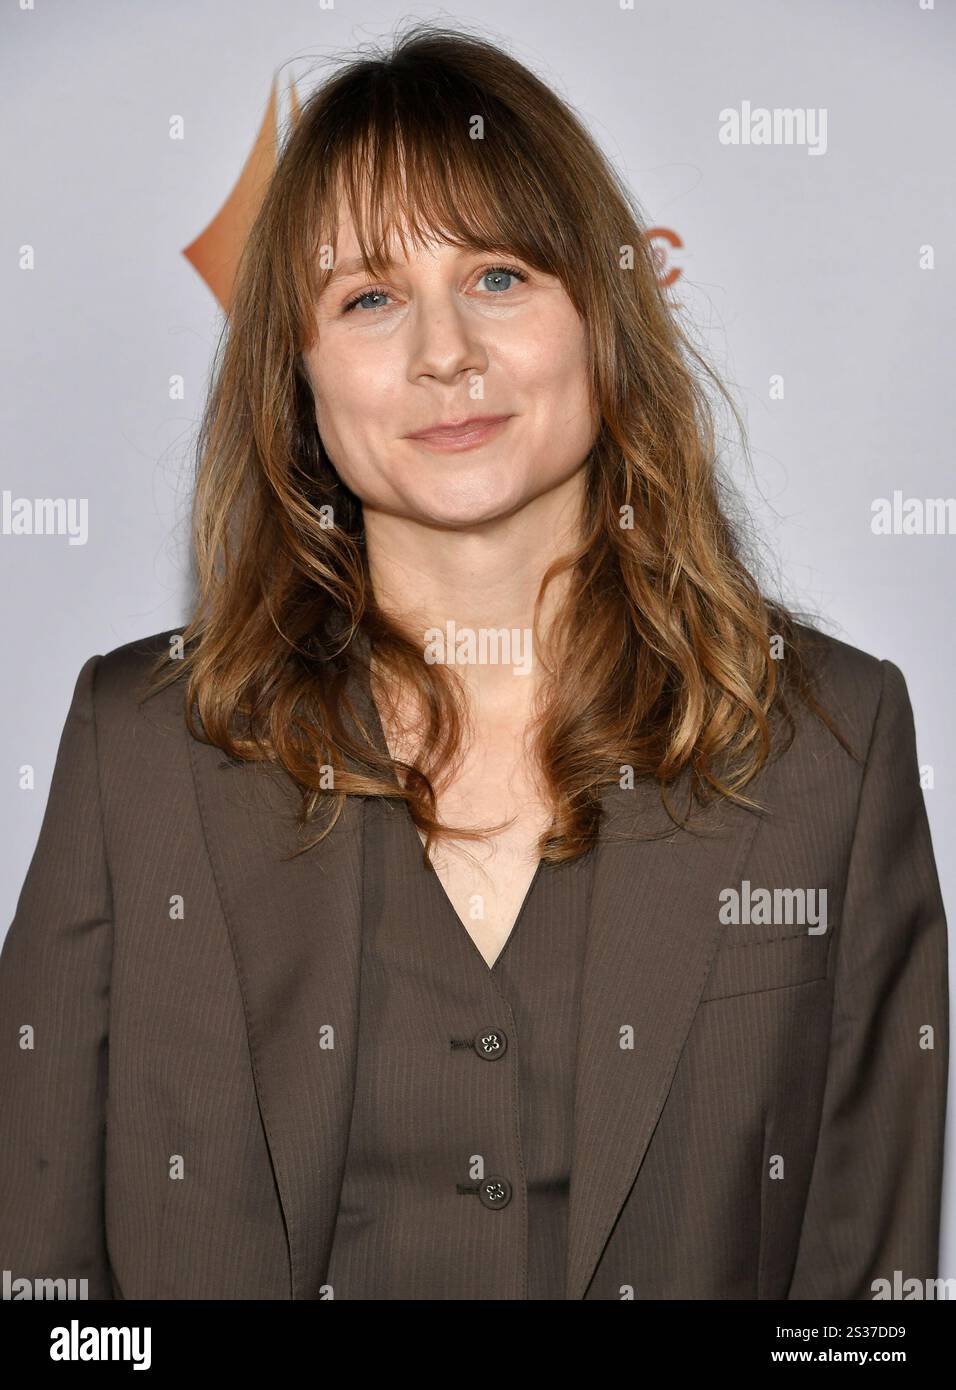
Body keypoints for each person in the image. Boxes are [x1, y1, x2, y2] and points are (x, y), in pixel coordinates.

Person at [0, 23, 948, 1301]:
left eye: (498, 276)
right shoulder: (138, 744)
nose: (445, 353)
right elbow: (48, 1299)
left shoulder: (832, 739)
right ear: (300, 378)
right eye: (369, 298)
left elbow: (860, 1312)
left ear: (602, 318)